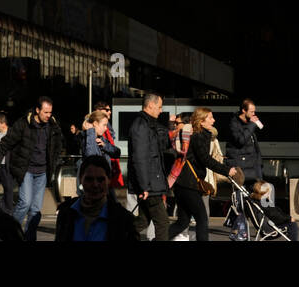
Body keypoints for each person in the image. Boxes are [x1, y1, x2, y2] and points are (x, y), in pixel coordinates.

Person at [0, 96, 62, 241]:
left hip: (42, 172)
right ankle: (11, 231)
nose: (49, 116)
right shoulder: (23, 124)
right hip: (27, 170)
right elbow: (5, 143)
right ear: (37, 110)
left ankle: (30, 237)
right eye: (46, 112)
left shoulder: (52, 125)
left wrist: (54, 161)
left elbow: (58, 144)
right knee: (25, 203)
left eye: (50, 112)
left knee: (36, 209)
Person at [168, 108, 236, 242]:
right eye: (210, 118)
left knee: (182, 222)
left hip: (183, 183)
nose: (214, 120)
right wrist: (226, 170)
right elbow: (205, 159)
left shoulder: (200, 134)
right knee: (202, 219)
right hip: (189, 184)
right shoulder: (199, 136)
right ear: (202, 121)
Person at [127, 91, 175, 241]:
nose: (161, 110)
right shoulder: (141, 126)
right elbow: (140, 158)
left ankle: (123, 235)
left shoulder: (148, 124)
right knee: (162, 223)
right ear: (150, 105)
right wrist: (144, 186)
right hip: (149, 185)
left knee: (142, 220)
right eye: (159, 107)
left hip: (151, 182)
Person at [56, 155, 139, 242]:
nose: (95, 185)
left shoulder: (123, 219)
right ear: (80, 179)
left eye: (100, 179)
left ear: (109, 180)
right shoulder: (65, 213)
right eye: (89, 179)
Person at [225, 99, 264, 184]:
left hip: (253, 164)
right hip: (241, 165)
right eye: (251, 112)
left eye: (254, 111)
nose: (254, 114)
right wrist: (252, 125)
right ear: (243, 110)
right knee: (241, 193)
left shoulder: (249, 123)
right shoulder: (234, 124)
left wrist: (259, 162)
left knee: (258, 192)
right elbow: (240, 140)